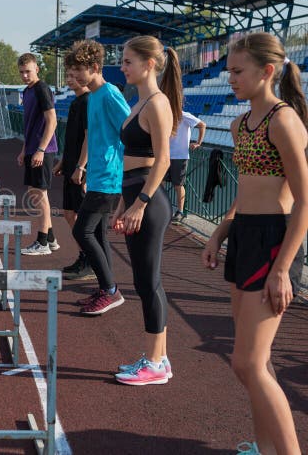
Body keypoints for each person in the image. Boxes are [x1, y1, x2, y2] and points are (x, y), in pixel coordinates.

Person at [202, 32, 307, 454]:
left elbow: (304, 201)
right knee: (254, 364)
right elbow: (245, 191)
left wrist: (282, 268)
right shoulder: (239, 122)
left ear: (266, 72)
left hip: (273, 241)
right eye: (228, 71)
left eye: (237, 71)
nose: (230, 78)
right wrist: (220, 231)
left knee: (246, 361)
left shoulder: (282, 120)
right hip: (244, 232)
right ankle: (267, 448)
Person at [110, 35, 181, 386]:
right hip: (135, 196)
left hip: (149, 202)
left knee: (148, 282)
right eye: (122, 61)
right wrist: (124, 204)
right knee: (143, 281)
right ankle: (159, 358)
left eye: (128, 62)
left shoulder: (156, 102)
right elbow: (129, 163)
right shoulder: (137, 102)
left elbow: (163, 160)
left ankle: (155, 363)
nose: (122, 67)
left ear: (148, 64)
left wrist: (140, 204)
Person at [68, 39, 131, 315]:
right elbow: (90, 138)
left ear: (95, 67)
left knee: (81, 230)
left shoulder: (110, 94)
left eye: (79, 70)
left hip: (109, 177)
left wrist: (121, 169)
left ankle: (111, 291)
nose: (76, 76)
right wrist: (82, 168)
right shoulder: (92, 97)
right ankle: (106, 287)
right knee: (97, 234)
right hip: (95, 176)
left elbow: (130, 130)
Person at [15, 53, 59, 256]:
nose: (25, 75)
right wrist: (25, 150)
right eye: (22, 72)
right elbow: (30, 124)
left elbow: (52, 121)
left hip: (43, 150)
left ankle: (42, 242)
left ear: (37, 69)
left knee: (39, 194)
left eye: (28, 71)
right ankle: (50, 239)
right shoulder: (27, 91)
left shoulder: (42, 89)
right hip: (33, 149)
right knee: (36, 193)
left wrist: (41, 149)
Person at [54, 60, 93, 279]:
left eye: (74, 74)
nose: (70, 79)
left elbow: (89, 137)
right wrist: (63, 162)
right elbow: (72, 138)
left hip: (81, 169)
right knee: (69, 214)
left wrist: (81, 166)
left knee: (83, 218)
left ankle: (91, 260)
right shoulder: (75, 101)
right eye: (67, 75)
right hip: (70, 166)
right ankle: (83, 255)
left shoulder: (88, 101)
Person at [168, 111, 206, 222]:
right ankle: (163, 209)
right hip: (165, 154)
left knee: (178, 185)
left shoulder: (184, 115)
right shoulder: (166, 113)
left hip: (180, 156)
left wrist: (198, 142)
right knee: (160, 184)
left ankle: (180, 212)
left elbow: (202, 125)